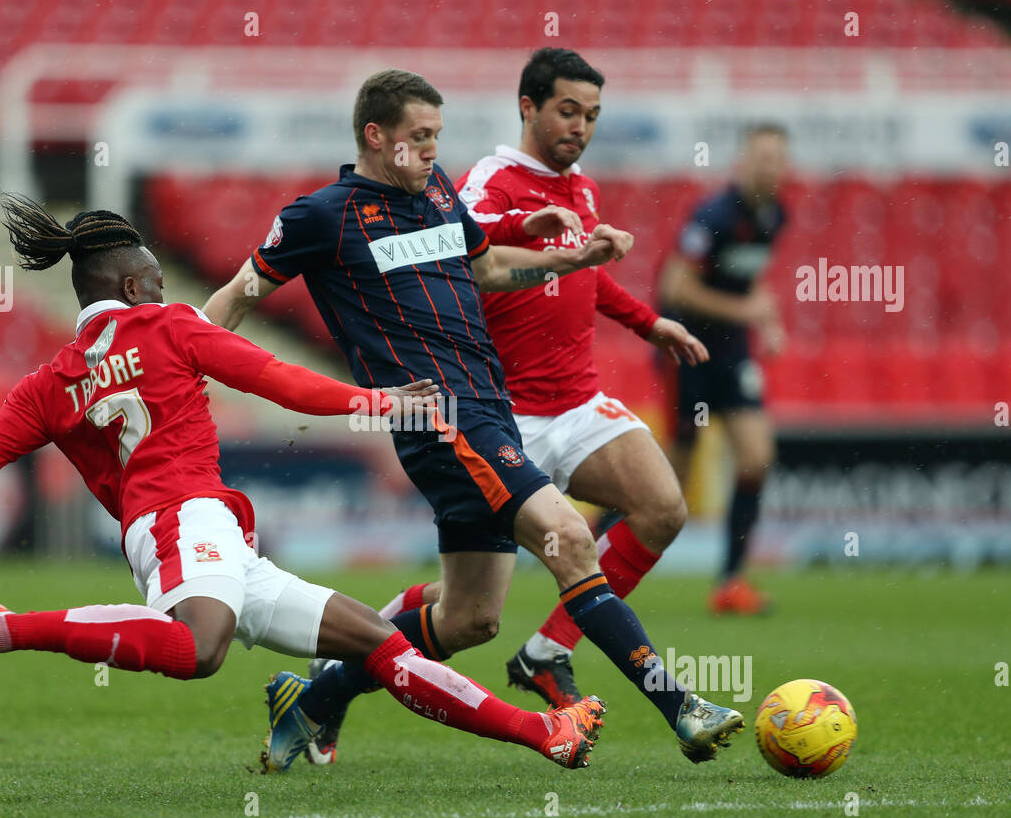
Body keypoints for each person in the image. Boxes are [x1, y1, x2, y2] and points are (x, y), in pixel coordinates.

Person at [0, 194, 609, 773]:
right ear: (138, 285)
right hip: (182, 522)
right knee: (199, 650)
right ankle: (1, 625)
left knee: (376, 645)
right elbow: (275, 380)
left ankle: (545, 732)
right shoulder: (170, 326)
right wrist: (373, 401)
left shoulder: (48, 382)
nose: (166, 289)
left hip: (207, 537)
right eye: (160, 279)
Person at [204, 69, 744, 768]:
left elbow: (487, 270)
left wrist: (573, 256)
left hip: (488, 407)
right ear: (376, 135)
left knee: (469, 619)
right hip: (440, 416)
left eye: (437, 135)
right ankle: (683, 709)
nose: (432, 148)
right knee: (569, 536)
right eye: (419, 136)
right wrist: (180, 361)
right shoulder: (322, 216)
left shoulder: (436, 193)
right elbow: (235, 298)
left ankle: (314, 698)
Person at [353, 47, 709, 732]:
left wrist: (649, 321)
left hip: (577, 402)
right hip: (500, 413)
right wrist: (528, 231)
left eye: (593, 116)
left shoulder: (581, 188)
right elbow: (462, 245)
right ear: (529, 107)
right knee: (467, 614)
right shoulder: (492, 180)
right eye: (568, 111)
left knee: (663, 508)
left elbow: (582, 273)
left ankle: (548, 648)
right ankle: (341, 662)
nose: (580, 127)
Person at [657, 124, 790, 615]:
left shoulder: (776, 216)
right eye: (761, 158)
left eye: (778, 159)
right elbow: (675, 288)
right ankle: (594, 544)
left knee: (756, 455)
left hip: (733, 353)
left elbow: (748, 285)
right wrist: (748, 313)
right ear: (741, 163)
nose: (769, 167)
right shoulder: (714, 215)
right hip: (687, 348)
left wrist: (768, 322)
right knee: (674, 478)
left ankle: (731, 582)